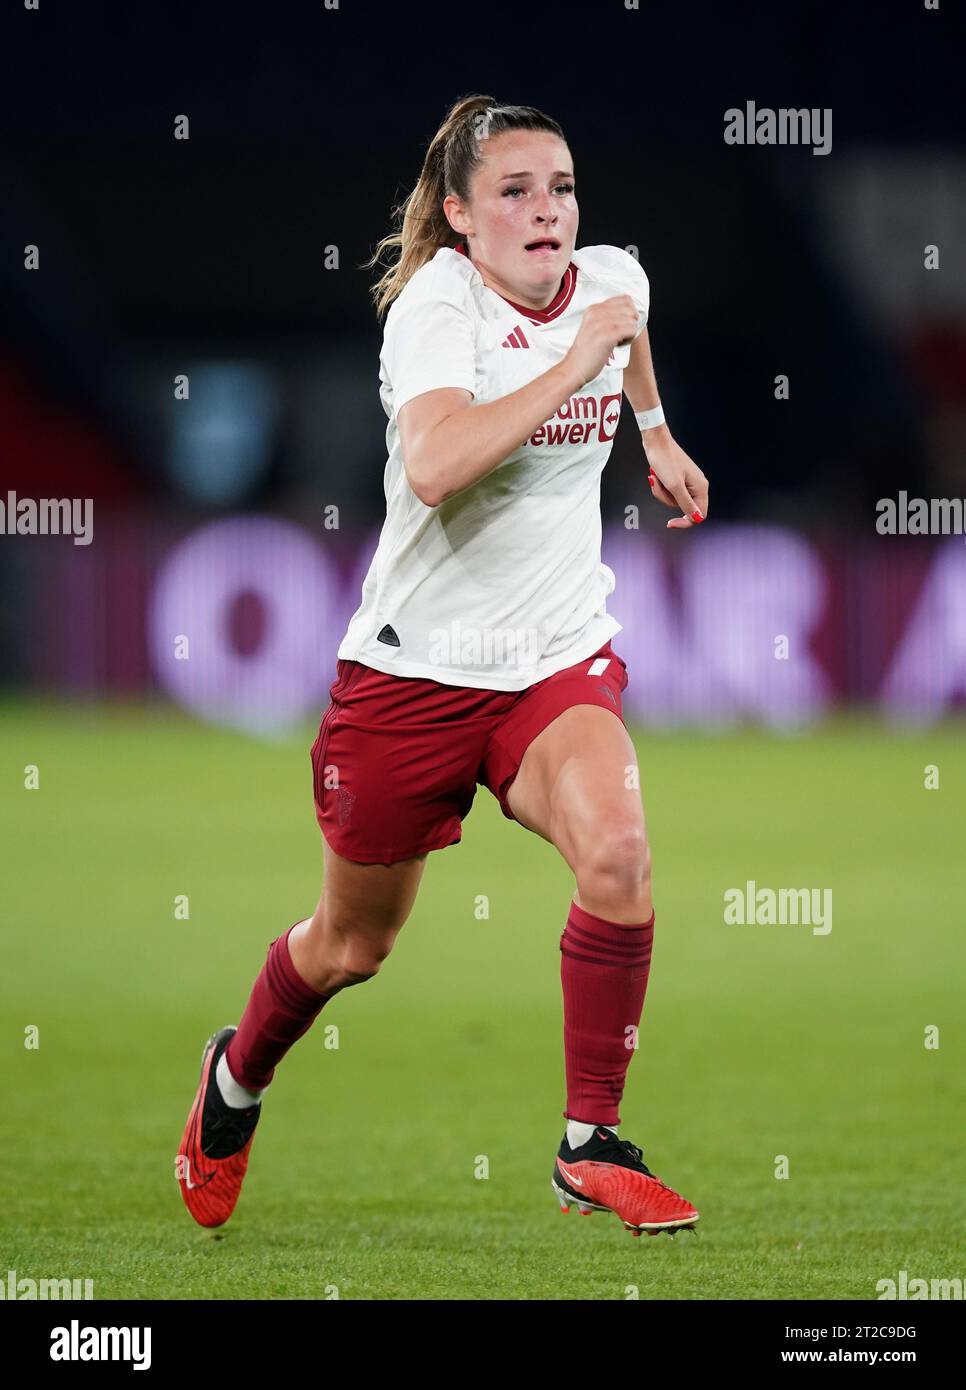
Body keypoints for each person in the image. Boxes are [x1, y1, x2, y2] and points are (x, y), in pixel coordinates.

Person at [177, 94, 709, 1239]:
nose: (546, 211)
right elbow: (433, 464)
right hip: (411, 679)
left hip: (553, 660)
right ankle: (235, 1079)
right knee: (352, 945)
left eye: (560, 187)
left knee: (620, 854)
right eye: (514, 191)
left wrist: (655, 433)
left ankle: (589, 1143)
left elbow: (628, 323)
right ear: (462, 218)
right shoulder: (436, 308)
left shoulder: (612, 281)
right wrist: (574, 366)